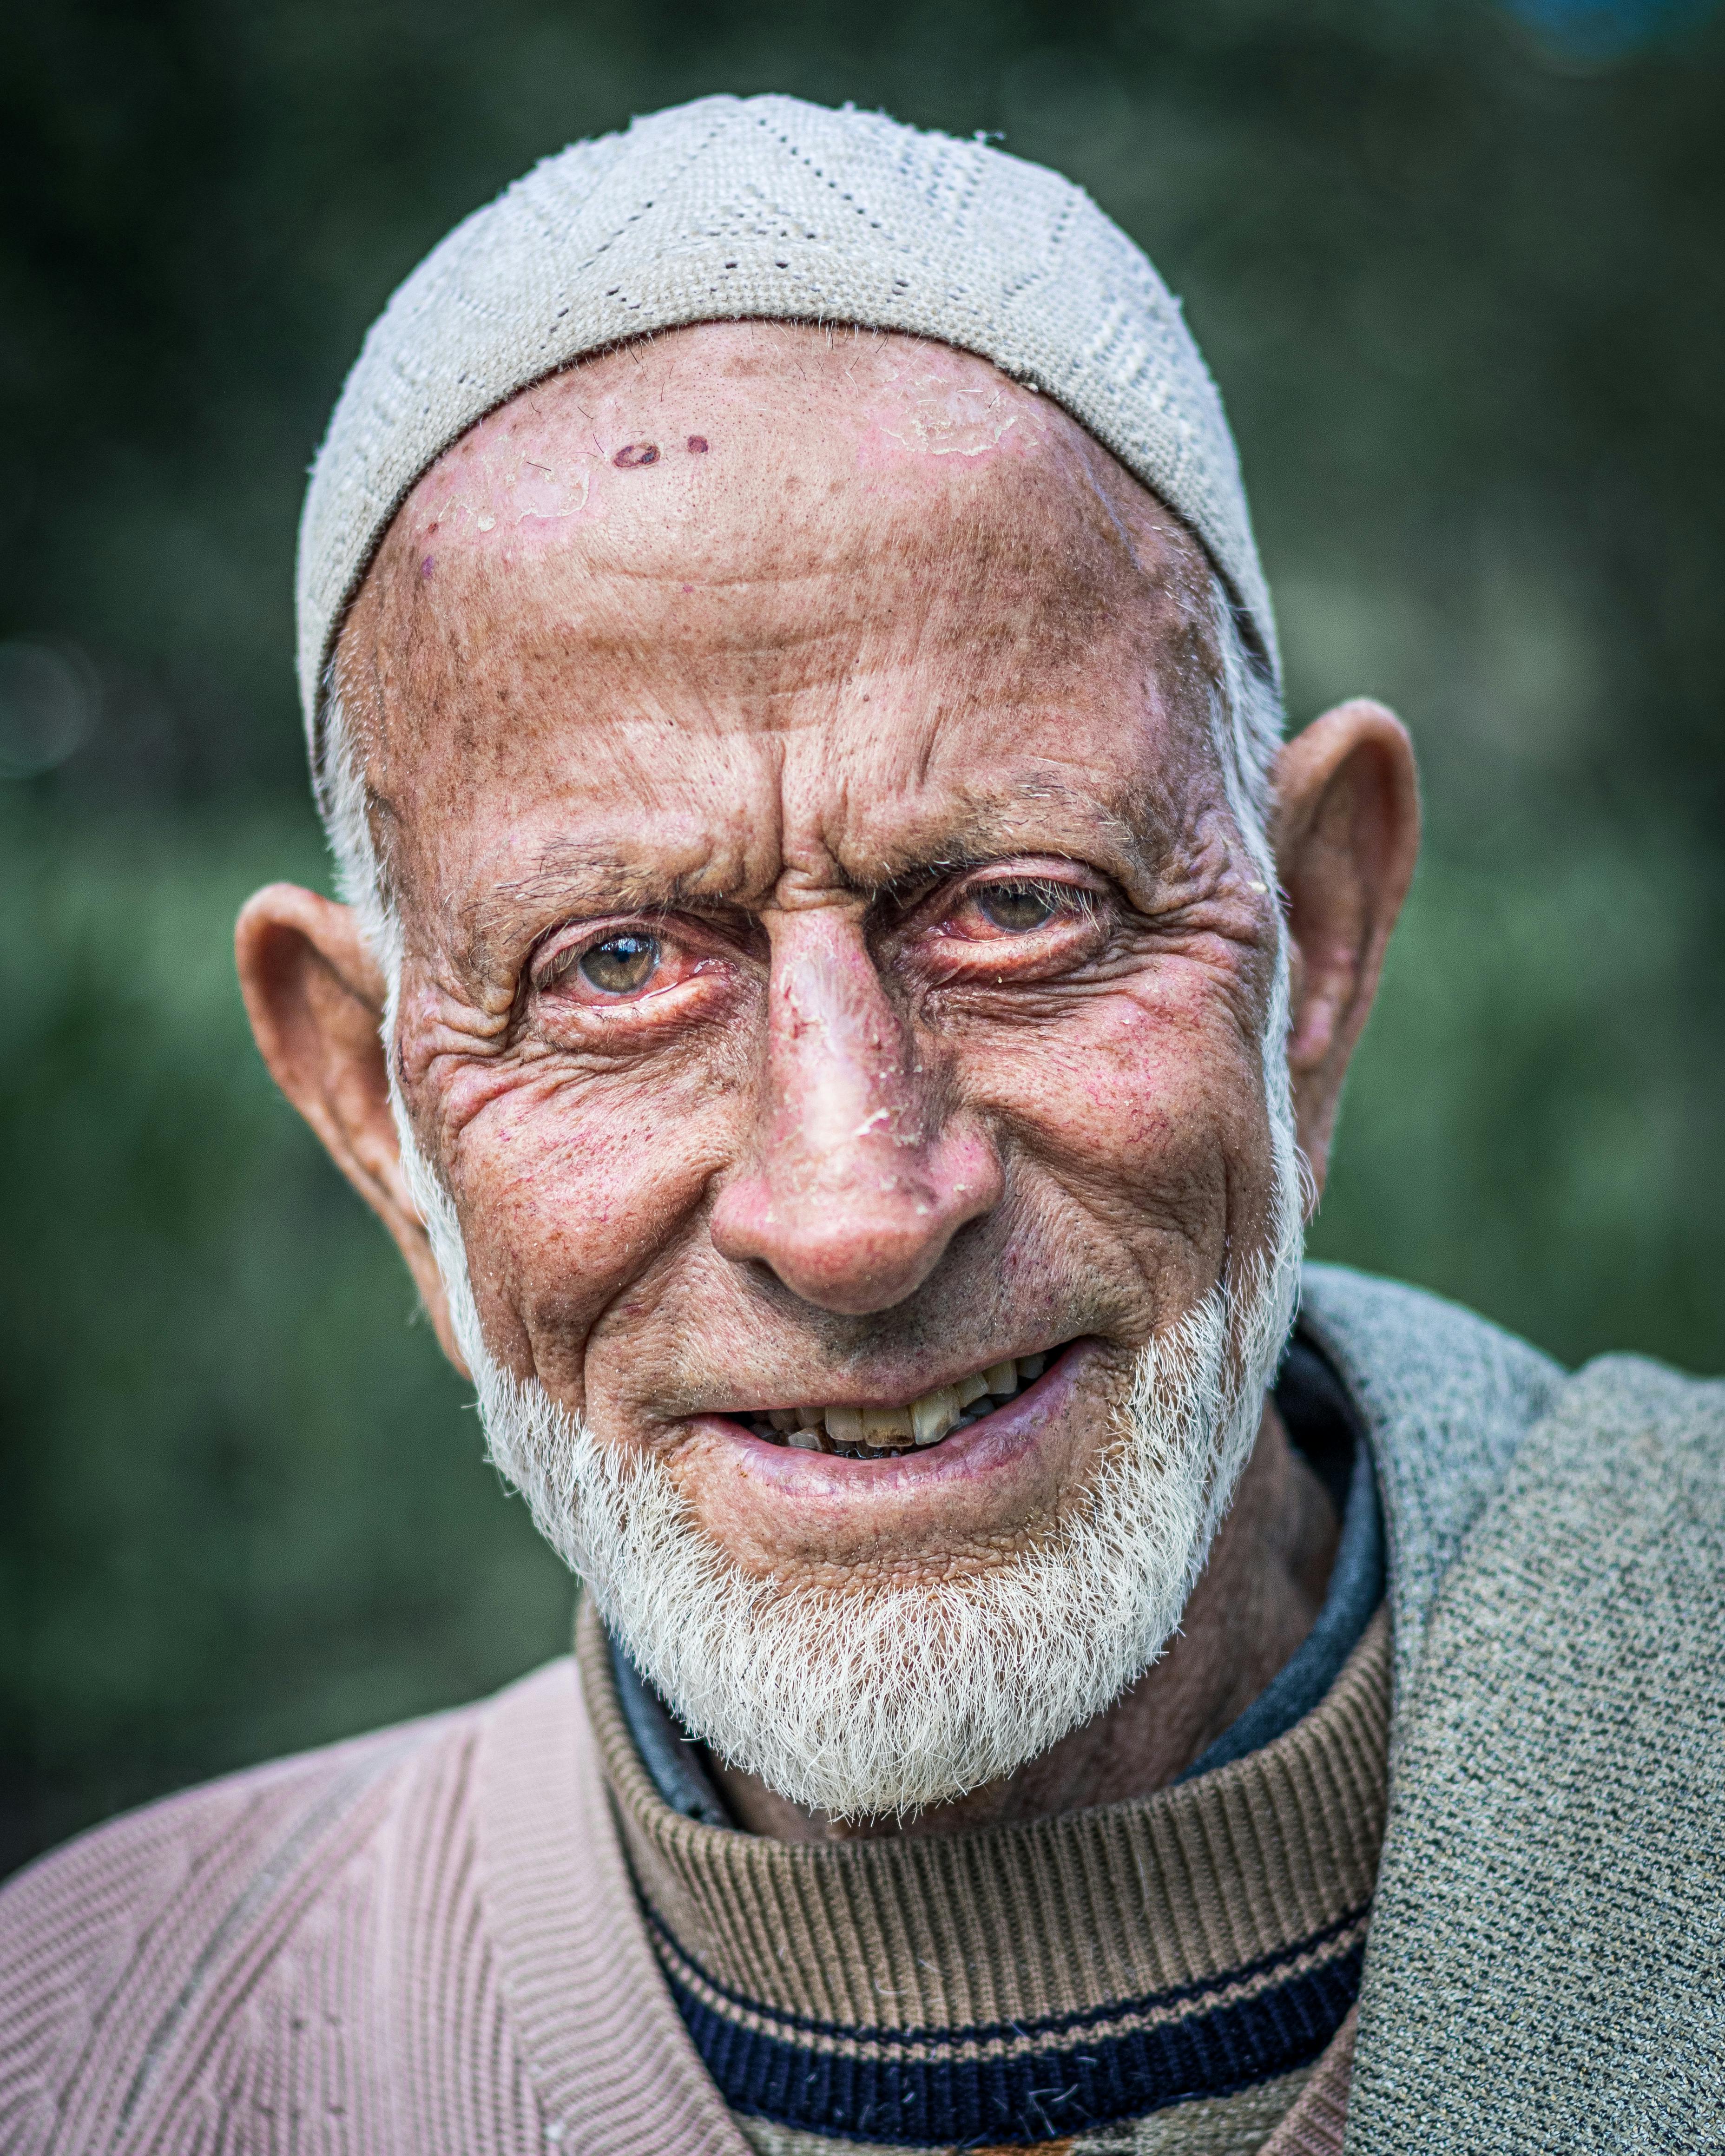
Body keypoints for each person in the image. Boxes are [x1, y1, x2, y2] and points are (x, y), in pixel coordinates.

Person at [1, 93, 1719, 2156]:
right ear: (382, 1117)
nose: (854, 1206)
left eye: (1017, 907)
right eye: (617, 965)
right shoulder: (106, 2050)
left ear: (1316, 943)